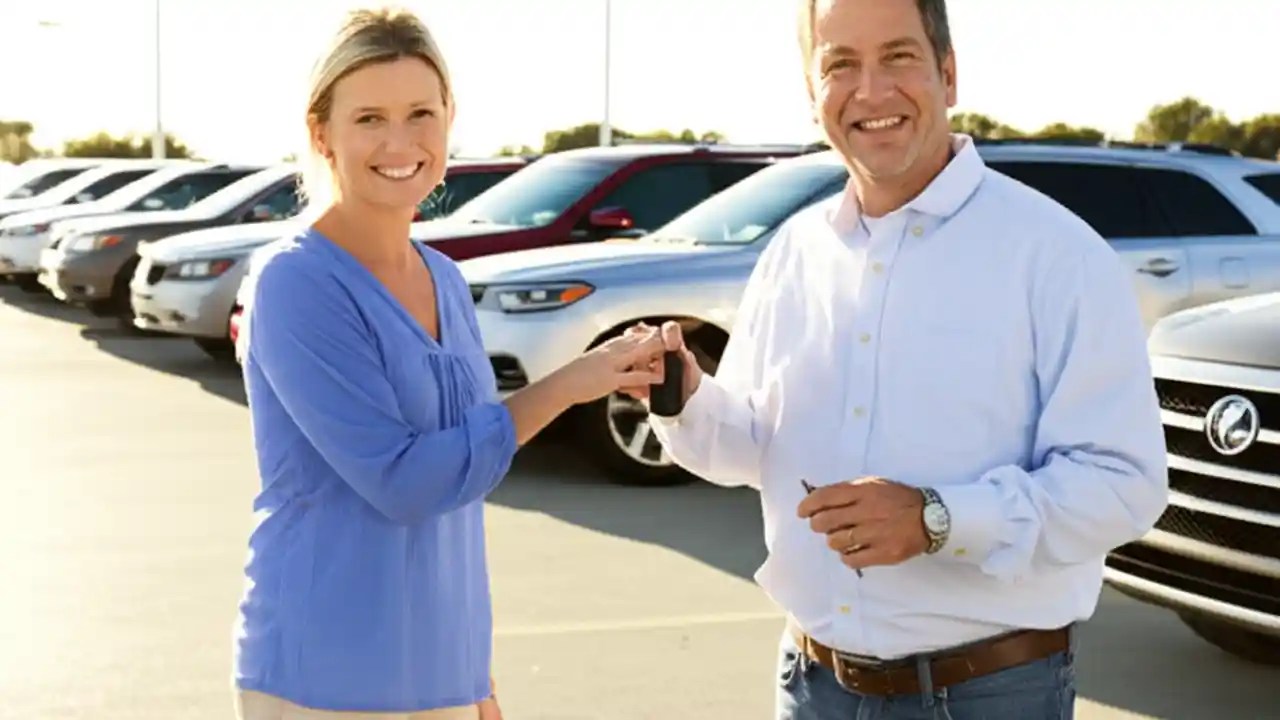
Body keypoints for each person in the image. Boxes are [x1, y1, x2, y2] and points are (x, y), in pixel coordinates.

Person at [634, 0, 1169, 717]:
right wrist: (684, 397)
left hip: (990, 694)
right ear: (811, 92)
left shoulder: (1056, 255)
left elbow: (1125, 485)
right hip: (811, 686)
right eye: (840, 65)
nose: (871, 91)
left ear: (948, 74)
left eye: (898, 57)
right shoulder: (796, 252)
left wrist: (937, 519)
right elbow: (748, 447)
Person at [232, 7, 667, 719]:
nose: (399, 142)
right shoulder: (295, 283)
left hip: (440, 678)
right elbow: (405, 482)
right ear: (322, 134)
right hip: (321, 677)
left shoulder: (445, 279)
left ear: (448, 120)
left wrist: (476, 680)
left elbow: (457, 501)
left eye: (420, 114)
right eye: (369, 117)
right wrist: (567, 385)